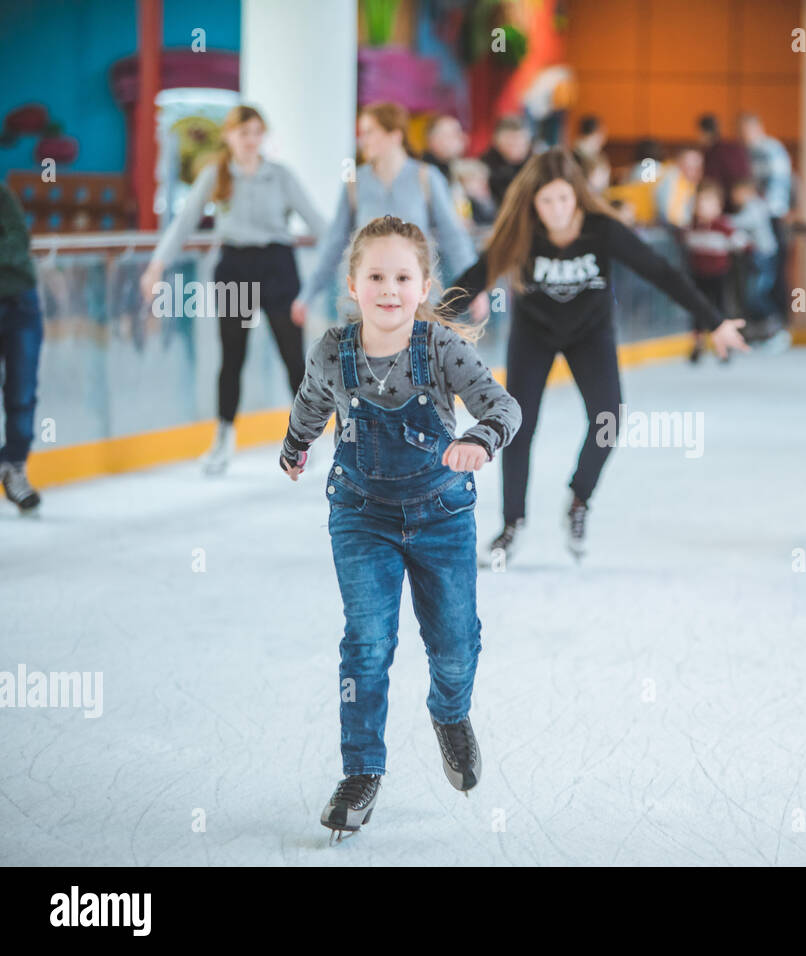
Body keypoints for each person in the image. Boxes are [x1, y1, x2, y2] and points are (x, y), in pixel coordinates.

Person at [278, 215, 521, 839]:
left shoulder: (441, 347)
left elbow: (502, 406)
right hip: (360, 515)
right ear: (354, 285)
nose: (390, 288)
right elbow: (309, 402)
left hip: (441, 516)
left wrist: (479, 441)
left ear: (424, 286)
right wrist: (295, 446)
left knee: (456, 643)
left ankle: (450, 712)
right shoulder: (334, 348)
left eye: (403, 277)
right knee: (366, 642)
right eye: (376, 276)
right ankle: (360, 771)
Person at [437, 149, 749, 564]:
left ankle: (579, 499)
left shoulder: (603, 230)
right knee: (517, 426)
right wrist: (426, 321)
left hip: (591, 333)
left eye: (564, 200)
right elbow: (475, 277)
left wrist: (714, 322)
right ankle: (512, 525)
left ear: (578, 197)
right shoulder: (523, 231)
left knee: (608, 419)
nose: (556, 211)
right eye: (546, 201)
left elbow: (661, 272)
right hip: (535, 333)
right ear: (533, 202)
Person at [140, 105, 326, 475]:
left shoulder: (280, 176)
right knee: (232, 358)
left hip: (278, 266)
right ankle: (224, 439)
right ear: (229, 136)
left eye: (257, 131)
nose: (251, 140)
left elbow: (319, 223)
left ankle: (305, 438)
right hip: (235, 269)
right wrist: (157, 266)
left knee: (293, 357)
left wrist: (359, 259)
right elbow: (184, 223)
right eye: (244, 132)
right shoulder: (216, 175)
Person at [294, 102, 479, 326]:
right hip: (365, 300)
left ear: (395, 135)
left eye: (370, 132)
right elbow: (335, 242)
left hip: (415, 300)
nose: (363, 140)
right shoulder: (355, 181)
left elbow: (453, 237)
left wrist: (474, 290)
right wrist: (308, 294)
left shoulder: (426, 177)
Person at [0, 183, 42, 513]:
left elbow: (18, 242)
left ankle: (14, 466)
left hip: (19, 305)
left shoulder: (2, 197)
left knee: (22, 391)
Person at [739, 113, 793, 330]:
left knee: (776, 272)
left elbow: (775, 186)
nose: (744, 136)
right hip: (759, 216)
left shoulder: (770, 149)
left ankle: (781, 320)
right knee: (759, 277)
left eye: (747, 130)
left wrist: (756, 202)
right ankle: (763, 321)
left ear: (758, 127)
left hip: (771, 217)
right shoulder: (748, 152)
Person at [683, 180, 747, 362]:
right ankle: (698, 343)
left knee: (720, 309)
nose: (703, 208)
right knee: (697, 309)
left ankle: (724, 345)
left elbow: (740, 242)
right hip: (698, 275)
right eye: (700, 203)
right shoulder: (692, 226)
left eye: (708, 203)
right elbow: (686, 242)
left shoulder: (723, 226)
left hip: (718, 275)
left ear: (718, 206)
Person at [728, 178, 780, 340]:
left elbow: (746, 222)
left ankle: (775, 324)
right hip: (755, 258)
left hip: (763, 257)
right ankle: (761, 330)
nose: (734, 196)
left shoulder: (754, 206)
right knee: (750, 294)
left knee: (756, 295)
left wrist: (721, 221)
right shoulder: (749, 206)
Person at [697, 113, 752, 210]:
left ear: (704, 133)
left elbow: (711, 183)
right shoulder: (732, 148)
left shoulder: (715, 153)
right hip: (737, 200)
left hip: (733, 204)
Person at [480, 114, 533, 206]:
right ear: (496, 141)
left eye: (518, 140)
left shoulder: (535, 163)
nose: (514, 145)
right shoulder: (484, 166)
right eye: (509, 141)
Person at [655, 147, 703, 228]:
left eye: (697, 168)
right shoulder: (670, 178)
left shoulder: (689, 185)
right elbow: (675, 219)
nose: (694, 172)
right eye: (689, 167)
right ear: (678, 164)